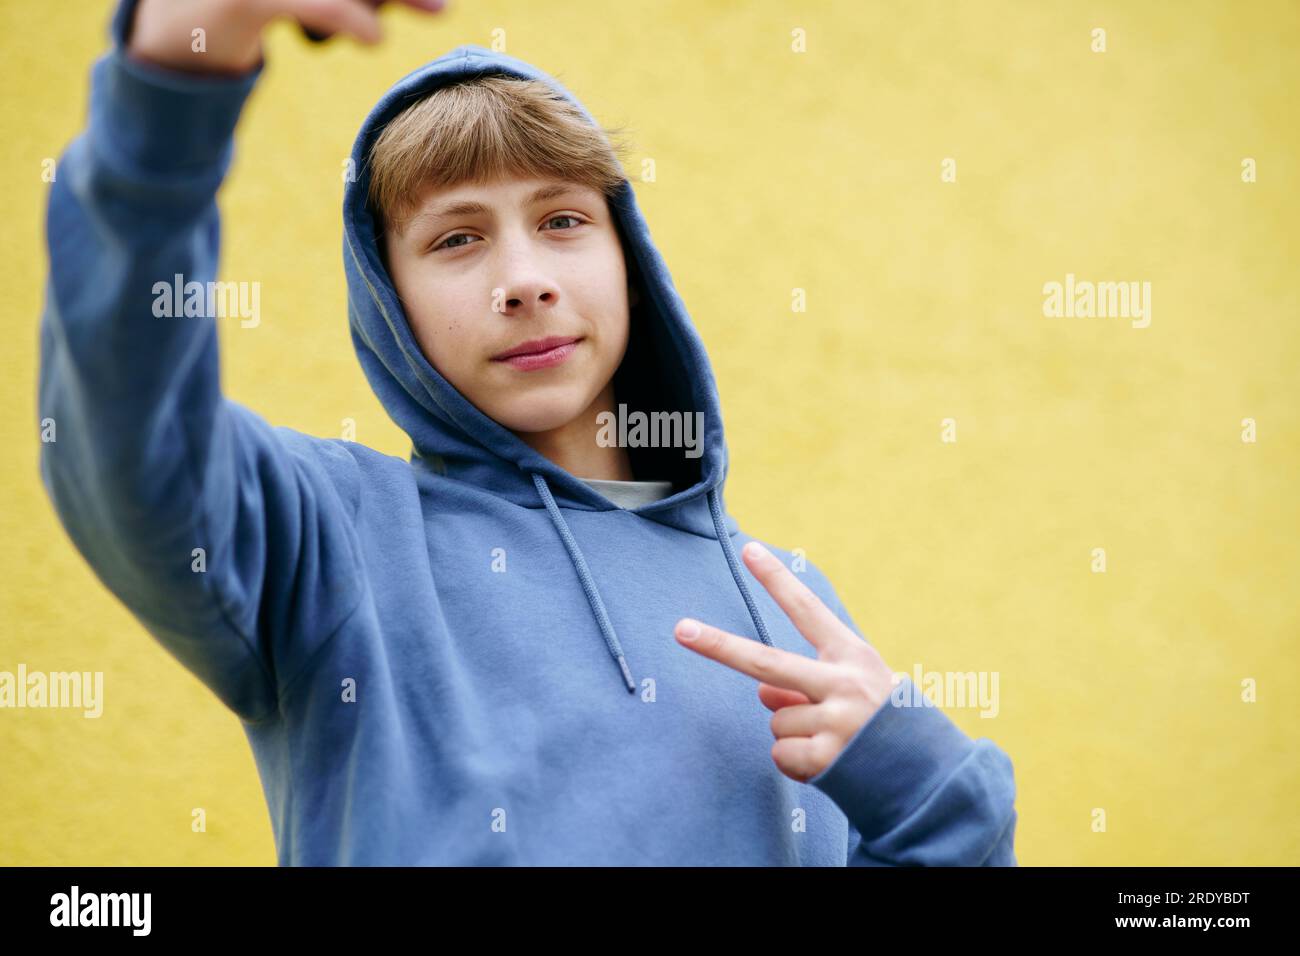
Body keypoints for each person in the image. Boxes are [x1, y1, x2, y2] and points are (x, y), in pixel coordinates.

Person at [38, 0, 1018, 865]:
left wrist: (933, 794)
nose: (524, 278)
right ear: (390, 300)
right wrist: (175, 65)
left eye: (561, 221)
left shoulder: (784, 601)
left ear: (626, 257)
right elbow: (128, 424)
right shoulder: (328, 533)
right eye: (457, 237)